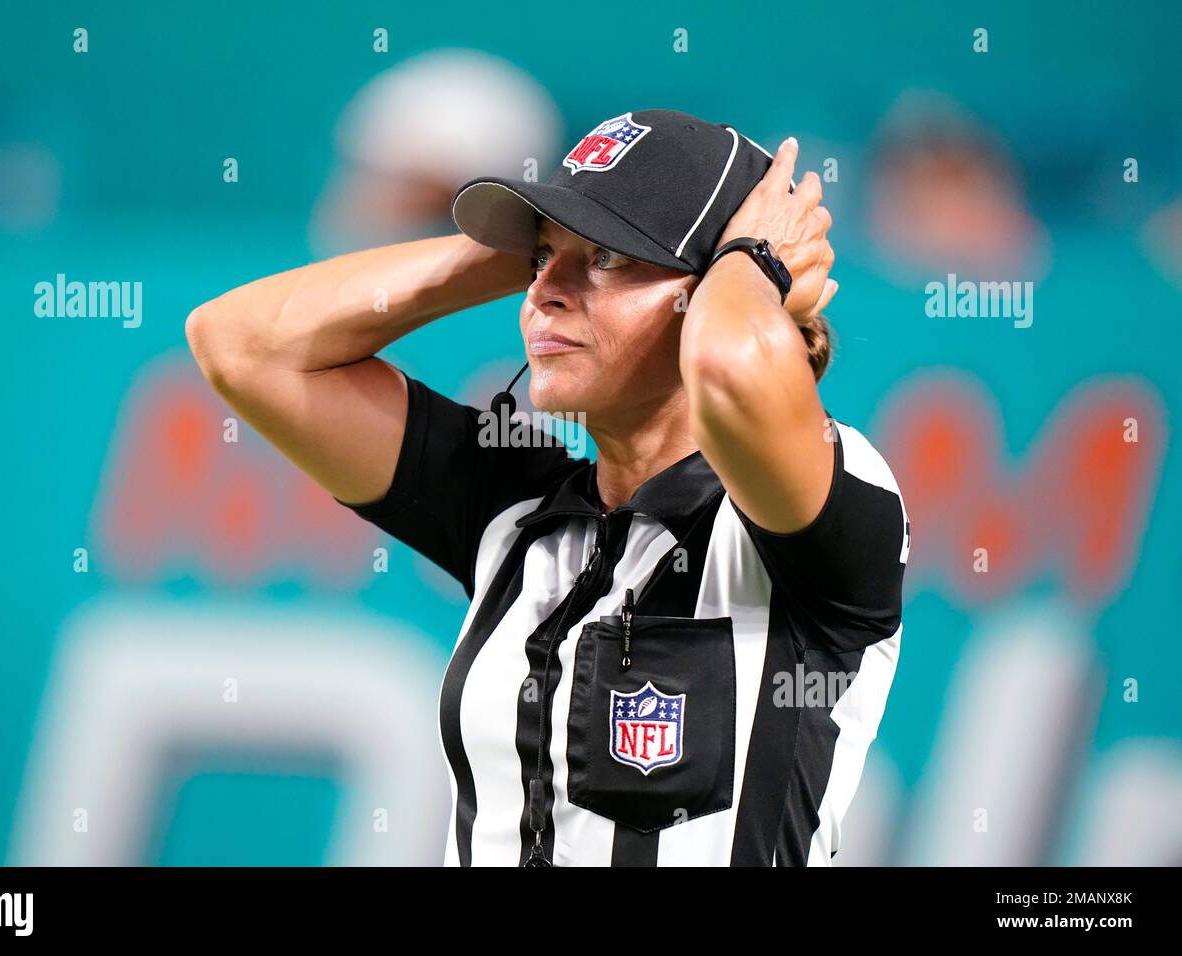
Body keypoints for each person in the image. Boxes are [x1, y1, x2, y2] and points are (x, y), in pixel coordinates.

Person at [186, 109, 910, 867]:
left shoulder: (823, 508)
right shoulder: (516, 506)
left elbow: (731, 370)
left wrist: (754, 262)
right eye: (543, 259)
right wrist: (513, 253)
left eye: (607, 258)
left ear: (719, 291)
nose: (543, 296)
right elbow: (238, 346)